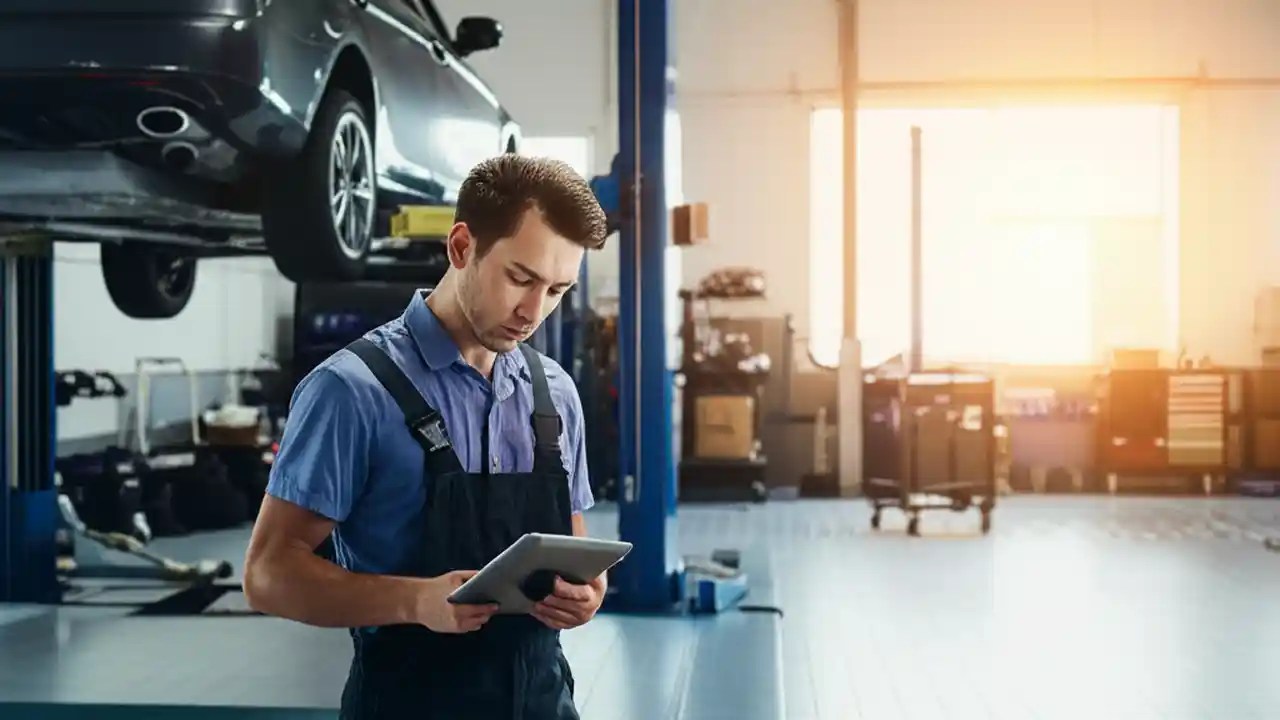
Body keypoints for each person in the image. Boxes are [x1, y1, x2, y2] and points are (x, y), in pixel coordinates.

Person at [242, 154, 610, 719]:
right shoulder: (351, 390)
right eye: (521, 278)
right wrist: (413, 600)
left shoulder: (554, 393)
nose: (534, 311)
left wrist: (586, 595)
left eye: (558, 290)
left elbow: (577, 549)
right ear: (462, 247)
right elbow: (269, 574)